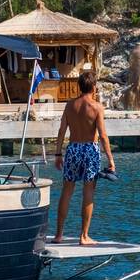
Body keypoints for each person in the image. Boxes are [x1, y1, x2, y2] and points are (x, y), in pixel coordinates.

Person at [53, 71, 115, 246]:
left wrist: (58, 154)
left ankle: (58, 235)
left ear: (79, 86)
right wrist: (111, 159)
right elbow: (103, 136)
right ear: (94, 87)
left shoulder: (70, 105)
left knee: (67, 192)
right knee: (88, 193)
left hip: (72, 149)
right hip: (90, 150)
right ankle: (84, 236)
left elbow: (61, 131)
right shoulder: (96, 107)